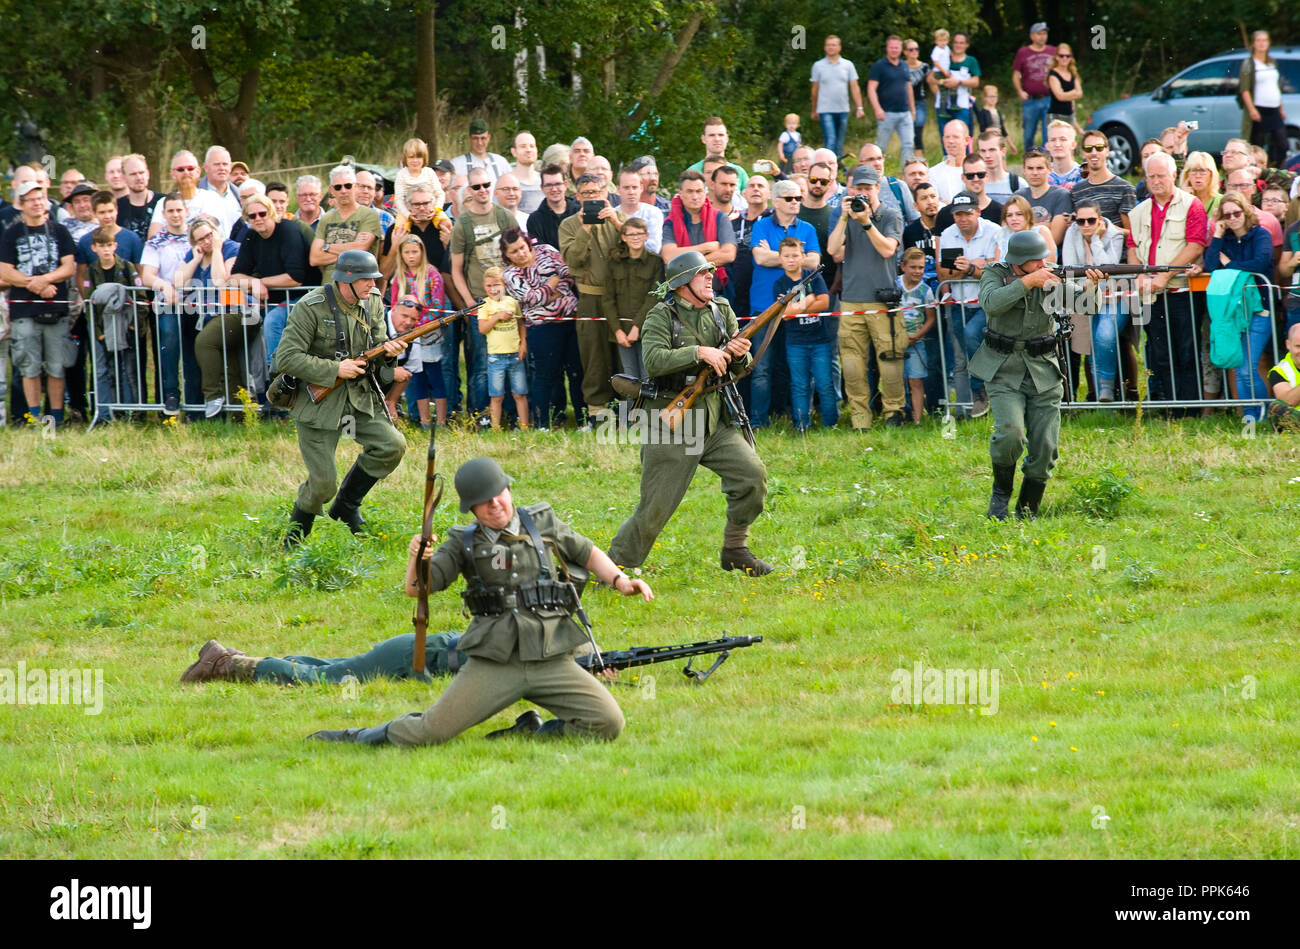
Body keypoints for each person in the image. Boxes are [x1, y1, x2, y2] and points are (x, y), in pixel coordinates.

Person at [297, 457, 653, 745]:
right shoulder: (463, 542)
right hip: (495, 662)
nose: (494, 504)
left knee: (607, 723)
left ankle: (532, 733)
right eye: (483, 501)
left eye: (498, 493)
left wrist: (621, 580)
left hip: (550, 657)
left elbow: (587, 552)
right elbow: (417, 588)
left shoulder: (542, 521)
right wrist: (416, 557)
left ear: (508, 488)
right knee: (431, 732)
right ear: (471, 508)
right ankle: (358, 737)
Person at [606, 252, 770, 576]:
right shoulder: (660, 316)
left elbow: (736, 368)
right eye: (702, 274)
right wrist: (698, 351)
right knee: (654, 510)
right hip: (674, 421)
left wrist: (739, 354)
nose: (711, 277)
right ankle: (612, 570)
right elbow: (652, 360)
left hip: (714, 418)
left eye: (711, 272)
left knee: (752, 476)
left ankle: (735, 548)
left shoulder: (722, 311)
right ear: (682, 284)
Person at [273, 250, 407, 547]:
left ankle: (346, 505)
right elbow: (286, 358)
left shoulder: (372, 303)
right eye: (366, 279)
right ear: (346, 279)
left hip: (357, 398)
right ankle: (294, 538)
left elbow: (378, 353)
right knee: (322, 483)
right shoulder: (311, 306)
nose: (372, 285)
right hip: (318, 402)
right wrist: (336, 368)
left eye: (373, 278)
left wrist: (389, 356)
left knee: (391, 445)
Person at [974, 230, 1103, 519]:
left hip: (1043, 367)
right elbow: (991, 303)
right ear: (1019, 262)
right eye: (1035, 261)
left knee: (1045, 447)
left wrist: (1093, 286)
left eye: (1043, 259)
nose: (1042, 265)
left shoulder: (1049, 277)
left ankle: (1027, 509)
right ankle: (1000, 496)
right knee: (1011, 434)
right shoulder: (994, 273)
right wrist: (1029, 282)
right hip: (1003, 367)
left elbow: (1087, 306)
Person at [1126, 152, 1208, 414]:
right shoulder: (1138, 212)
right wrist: (1138, 273)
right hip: (1150, 295)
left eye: (1161, 175)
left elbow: (1195, 244)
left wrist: (1164, 276)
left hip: (1182, 291)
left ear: (1173, 175)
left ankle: (1190, 408)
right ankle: (1167, 407)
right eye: (1151, 176)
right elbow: (1132, 248)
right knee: (1160, 350)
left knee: (1186, 349)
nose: (1156, 180)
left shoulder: (1191, 204)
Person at [828, 165, 906, 429]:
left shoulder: (891, 215)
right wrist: (843, 218)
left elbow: (887, 250)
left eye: (867, 188)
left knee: (891, 361)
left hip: (883, 300)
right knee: (851, 364)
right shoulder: (847, 216)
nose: (863, 193)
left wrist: (866, 223)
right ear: (851, 189)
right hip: (851, 300)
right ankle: (860, 418)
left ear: (877, 188)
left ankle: (894, 413)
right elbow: (833, 251)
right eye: (858, 188)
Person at [0, 181, 77, 425]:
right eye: (31, 199)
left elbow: (68, 267)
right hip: (24, 310)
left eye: (40, 198)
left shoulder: (59, 231)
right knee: (29, 366)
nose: (37, 203)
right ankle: (34, 418)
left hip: (56, 309)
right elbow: (5, 270)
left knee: (57, 366)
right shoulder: (11, 233)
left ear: (46, 201)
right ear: (21, 204)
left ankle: (55, 418)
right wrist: (33, 283)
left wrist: (44, 280)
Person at [748, 178, 820, 427]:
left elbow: (815, 261)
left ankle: (797, 417)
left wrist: (776, 255)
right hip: (763, 305)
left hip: (797, 307)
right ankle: (758, 420)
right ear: (775, 201)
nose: (795, 202)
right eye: (790, 198)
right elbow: (759, 258)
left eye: (799, 198)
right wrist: (796, 256)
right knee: (761, 368)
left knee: (795, 367)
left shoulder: (808, 229)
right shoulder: (761, 226)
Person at [450, 167, 519, 418]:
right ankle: (480, 415)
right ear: (469, 189)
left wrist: (515, 297)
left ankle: (510, 414)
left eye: (486, 185)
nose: (482, 190)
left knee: (510, 358)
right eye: (476, 187)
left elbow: (517, 258)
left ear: (493, 186)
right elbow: (456, 269)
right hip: (480, 300)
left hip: (508, 300)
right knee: (480, 362)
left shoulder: (505, 217)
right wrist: (470, 303)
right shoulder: (463, 224)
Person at [560, 173, 626, 426]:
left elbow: (637, 250)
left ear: (605, 194)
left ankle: (627, 413)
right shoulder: (569, 225)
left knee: (623, 354)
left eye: (596, 193)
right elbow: (572, 260)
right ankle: (598, 416)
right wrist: (585, 230)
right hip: (590, 298)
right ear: (577, 197)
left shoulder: (619, 219)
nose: (592, 198)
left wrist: (618, 224)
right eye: (586, 194)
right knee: (594, 357)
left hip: (621, 300)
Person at [500, 229, 582, 429]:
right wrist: (553, 284)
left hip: (571, 320)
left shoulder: (546, 250)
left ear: (528, 243)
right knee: (545, 376)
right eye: (514, 252)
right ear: (506, 256)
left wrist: (548, 291)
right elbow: (530, 299)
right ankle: (543, 424)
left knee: (576, 373)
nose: (520, 253)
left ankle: (582, 420)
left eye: (522, 247)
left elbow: (568, 276)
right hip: (542, 328)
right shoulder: (510, 274)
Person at [1204, 192, 1274, 420]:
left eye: (1237, 212)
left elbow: (1260, 264)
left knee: (1247, 368)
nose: (1233, 218)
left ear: (1246, 212)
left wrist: (1231, 264)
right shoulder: (1225, 239)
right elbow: (1211, 265)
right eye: (1227, 215)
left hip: (1260, 310)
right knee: (1240, 367)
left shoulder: (1260, 235)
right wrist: (1217, 234)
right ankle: (1249, 416)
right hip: (1234, 312)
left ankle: (1260, 413)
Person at [229, 191, 308, 378]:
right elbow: (234, 277)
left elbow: (295, 278)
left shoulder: (288, 231)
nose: (258, 219)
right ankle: (252, 389)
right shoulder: (251, 236)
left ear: (271, 212)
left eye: (262, 214)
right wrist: (254, 282)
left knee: (272, 322)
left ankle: (278, 378)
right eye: (252, 216)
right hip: (271, 301)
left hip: (302, 297)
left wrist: (261, 282)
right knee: (238, 327)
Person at [938, 191, 1001, 419]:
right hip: (958, 302)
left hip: (987, 301)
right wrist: (976, 267)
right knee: (961, 355)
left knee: (972, 334)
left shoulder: (994, 231)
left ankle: (982, 389)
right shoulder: (948, 235)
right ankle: (968, 408)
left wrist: (970, 269)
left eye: (967, 213)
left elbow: (997, 273)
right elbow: (944, 273)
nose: (962, 218)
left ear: (978, 211)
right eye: (958, 214)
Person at [1062, 199, 1127, 401]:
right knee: (1089, 340)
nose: (1086, 225)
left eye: (1091, 220)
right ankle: (1100, 394)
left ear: (1099, 219)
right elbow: (1070, 267)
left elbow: (1110, 268)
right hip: (1085, 297)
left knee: (1104, 335)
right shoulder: (1071, 233)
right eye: (1081, 221)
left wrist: (1097, 241)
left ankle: (1106, 390)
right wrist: (1090, 283)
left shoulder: (1113, 234)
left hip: (1113, 297)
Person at [388, 235, 449, 427]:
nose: (411, 256)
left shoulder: (433, 275)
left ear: (422, 252)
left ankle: (440, 421)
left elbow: (437, 306)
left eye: (414, 252)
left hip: (429, 334)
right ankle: (424, 421)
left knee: (435, 376)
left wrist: (417, 326)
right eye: (406, 252)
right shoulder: (399, 276)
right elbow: (394, 305)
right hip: (407, 335)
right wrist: (405, 327)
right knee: (416, 377)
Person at [775, 237, 834, 431]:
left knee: (824, 383)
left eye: (795, 255)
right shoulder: (779, 284)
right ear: (780, 258)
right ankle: (801, 424)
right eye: (787, 256)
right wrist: (809, 299)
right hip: (795, 343)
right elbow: (785, 314)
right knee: (799, 385)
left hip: (820, 341)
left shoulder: (814, 276)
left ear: (803, 257)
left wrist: (797, 307)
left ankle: (830, 424)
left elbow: (824, 303)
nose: (791, 260)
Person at [84, 226, 142, 422]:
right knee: (102, 371)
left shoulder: (127, 267)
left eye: (109, 245)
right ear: (94, 248)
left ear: (115, 245)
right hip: (102, 330)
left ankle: (129, 413)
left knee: (127, 371)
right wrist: (99, 332)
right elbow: (88, 303)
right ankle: (104, 414)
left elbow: (140, 298)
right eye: (101, 246)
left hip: (124, 328)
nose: (106, 250)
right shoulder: (91, 271)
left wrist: (133, 326)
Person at [605, 217, 664, 384]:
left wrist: (637, 326)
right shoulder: (614, 263)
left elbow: (655, 296)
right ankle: (631, 411)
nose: (635, 237)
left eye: (639, 233)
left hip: (647, 329)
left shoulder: (655, 262)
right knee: (629, 380)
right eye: (631, 234)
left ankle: (650, 411)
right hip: (622, 333)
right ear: (623, 237)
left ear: (647, 235)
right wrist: (617, 331)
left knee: (648, 377)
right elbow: (608, 300)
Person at [473, 265, 529, 430]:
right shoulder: (484, 305)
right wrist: (497, 317)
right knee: (496, 396)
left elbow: (521, 324)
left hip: (515, 356)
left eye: (496, 285)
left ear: (504, 285)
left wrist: (523, 344)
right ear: (484, 286)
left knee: (519, 394)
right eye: (489, 286)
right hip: (495, 357)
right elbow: (482, 329)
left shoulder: (513, 303)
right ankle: (496, 429)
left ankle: (525, 427)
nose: (493, 289)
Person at [310, 165, 381, 285]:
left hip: (359, 288)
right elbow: (314, 259)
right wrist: (351, 251)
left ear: (355, 187)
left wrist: (327, 247)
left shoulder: (369, 215)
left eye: (348, 186)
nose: (343, 191)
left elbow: (360, 249)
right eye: (338, 187)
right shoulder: (326, 218)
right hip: (330, 289)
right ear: (332, 190)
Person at [897, 247, 937, 423]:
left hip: (916, 341)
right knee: (897, 381)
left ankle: (918, 419)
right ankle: (900, 415)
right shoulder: (894, 284)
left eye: (921, 268)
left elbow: (930, 319)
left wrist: (916, 335)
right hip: (895, 339)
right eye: (913, 267)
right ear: (903, 266)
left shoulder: (926, 291)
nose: (917, 271)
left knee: (915, 381)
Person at [1239, 31, 1288, 169]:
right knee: (1257, 145)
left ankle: (1276, 170)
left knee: (1283, 144)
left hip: (1274, 109)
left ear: (1268, 43)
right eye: (1259, 40)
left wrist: (1281, 108)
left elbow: (1276, 87)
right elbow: (1244, 89)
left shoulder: (1272, 62)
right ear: (1254, 43)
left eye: (1265, 40)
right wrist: (1252, 110)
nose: (1262, 43)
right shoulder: (1249, 64)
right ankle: (1257, 172)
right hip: (1259, 109)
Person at [810, 35, 865, 159]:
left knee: (839, 143)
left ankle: (837, 167)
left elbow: (854, 87)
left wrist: (859, 107)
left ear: (839, 47)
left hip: (842, 109)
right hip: (825, 109)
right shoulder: (818, 66)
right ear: (825, 47)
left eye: (834, 45)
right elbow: (814, 90)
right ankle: (826, 166)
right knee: (830, 140)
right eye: (828, 45)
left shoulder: (847, 65)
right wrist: (814, 109)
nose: (831, 47)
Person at [1070, 133, 1138, 230]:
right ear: (1083, 153)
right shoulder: (1076, 191)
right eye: (1088, 148)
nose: (1094, 152)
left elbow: (1131, 235)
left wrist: (1105, 227)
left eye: (1099, 147)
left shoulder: (1125, 188)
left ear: (1107, 150)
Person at [868, 36, 915, 163]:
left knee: (908, 145)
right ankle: (875, 173)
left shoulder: (904, 65)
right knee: (880, 148)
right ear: (887, 48)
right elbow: (871, 88)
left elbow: (908, 87)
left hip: (905, 113)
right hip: (886, 113)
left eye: (897, 47)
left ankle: (908, 174)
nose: (894, 50)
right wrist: (877, 109)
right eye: (891, 47)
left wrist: (913, 110)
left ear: (901, 49)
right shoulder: (879, 66)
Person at [1012, 22, 1056, 153]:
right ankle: (1029, 161)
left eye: (1044, 33)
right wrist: (1020, 91)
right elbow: (1015, 75)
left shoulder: (1053, 51)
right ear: (1032, 36)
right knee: (1028, 134)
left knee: (1047, 134)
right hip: (1030, 100)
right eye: (1039, 34)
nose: (1042, 37)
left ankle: (1045, 163)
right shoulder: (1024, 52)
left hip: (1049, 99)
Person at [935, 154, 1004, 231]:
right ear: (963, 178)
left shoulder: (1000, 212)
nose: (976, 179)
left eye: (980, 174)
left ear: (986, 176)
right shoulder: (946, 214)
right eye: (970, 175)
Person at [934, 31, 980, 135]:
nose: (958, 45)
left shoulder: (971, 61)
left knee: (962, 138)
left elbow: (976, 82)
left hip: (961, 106)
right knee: (946, 139)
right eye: (955, 42)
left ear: (967, 45)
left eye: (961, 43)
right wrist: (943, 82)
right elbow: (930, 79)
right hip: (943, 107)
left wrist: (958, 82)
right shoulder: (944, 58)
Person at [116, 154, 162, 245]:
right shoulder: (116, 207)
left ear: (148, 174)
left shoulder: (163, 202)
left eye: (141, 173)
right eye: (133, 174)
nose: (139, 178)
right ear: (124, 178)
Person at [393, 137, 444, 219]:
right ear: (405, 158)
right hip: (408, 211)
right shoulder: (401, 174)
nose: (415, 161)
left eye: (419, 157)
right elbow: (399, 199)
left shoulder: (429, 172)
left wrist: (436, 209)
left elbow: (440, 194)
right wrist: (408, 215)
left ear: (424, 158)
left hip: (431, 210)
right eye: (411, 157)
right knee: (400, 227)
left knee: (445, 222)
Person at [996, 196, 1056, 264]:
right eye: (1009, 215)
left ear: (1028, 215)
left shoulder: (1042, 231)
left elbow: (1050, 264)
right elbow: (997, 266)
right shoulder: (1003, 233)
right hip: (1007, 274)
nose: (1014, 218)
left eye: (1019, 214)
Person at [1266, 324, 1300, 431]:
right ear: (1288, 344)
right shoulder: (1279, 371)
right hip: (1296, 418)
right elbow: (1286, 401)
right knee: (1275, 409)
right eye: (1298, 346)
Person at [929, 120, 972, 203]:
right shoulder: (933, 173)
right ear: (943, 140)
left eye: (955, 137)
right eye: (947, 137)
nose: (950, 141)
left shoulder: (977, 172)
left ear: (966, 140)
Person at [1046, 44, 1083, 133]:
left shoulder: (1073, 73)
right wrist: (1073, 93)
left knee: (1069, 143)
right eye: (1061, 56)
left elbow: (1080, 93)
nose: (1064, 58)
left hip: (1069, 115)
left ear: (1071, 58)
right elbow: (1059, 97)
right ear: (1056, 57)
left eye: (1067, 56)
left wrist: (1066, 94)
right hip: (1055, 116)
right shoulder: (1053, 74)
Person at [902, 41, 931, 156]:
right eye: (911, 49)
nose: (914, 52)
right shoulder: (901, 66)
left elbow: (932, 82)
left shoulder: (924, 67)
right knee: (907, 135)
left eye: (916, 49)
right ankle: (907, 162)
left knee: (917, 133)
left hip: (919, 102)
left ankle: (920, 162)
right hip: (904, 103)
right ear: (905, 52)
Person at [510, 130, 544, 213]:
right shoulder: (506, 182)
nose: (528, 150)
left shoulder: (545, 180)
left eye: (532, 146)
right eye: (523, 146)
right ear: (514, 152)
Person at [975, 85, 1015, 154]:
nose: (992, 99)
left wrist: (1011, 144)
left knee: (1002, 157)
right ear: (985, 98)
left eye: (994, 96)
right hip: (989, 141)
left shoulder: (998, 112)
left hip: (999, 140)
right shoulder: (983, 112)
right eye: (990, 96)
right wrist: (992, 129)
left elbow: (1003, 130)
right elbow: (982, 129)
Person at [1045, 121, 1081, 190]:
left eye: (1063, 139)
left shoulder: (1083, 175)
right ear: (1047, 146)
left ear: (1073, 145)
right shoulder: (1041, 174)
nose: (1057, 144)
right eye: (1053, 140)